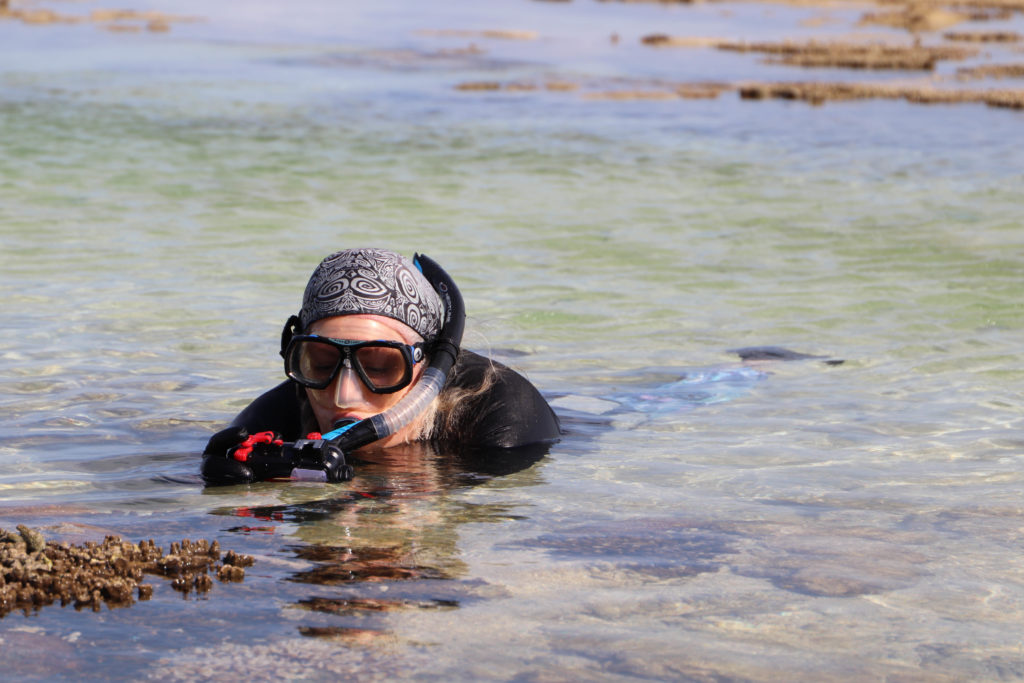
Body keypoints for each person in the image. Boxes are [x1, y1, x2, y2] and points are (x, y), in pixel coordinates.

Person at [202, 248, 560, 484]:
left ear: (429, 367)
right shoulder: (274, 416)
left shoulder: (507, 421)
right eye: (321, 362)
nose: (342, 396)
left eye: (378, 366)